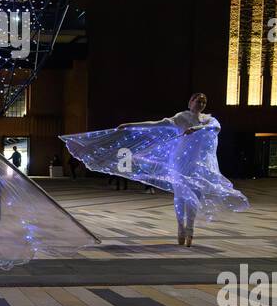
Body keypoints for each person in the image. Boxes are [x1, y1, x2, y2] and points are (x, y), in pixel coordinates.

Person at [61, 92, 249, 246]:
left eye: (203, 102)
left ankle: (190, 229)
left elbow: (215, 128)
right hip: (180, 162)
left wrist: (197, 128)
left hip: (197, 163)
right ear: (190, 102)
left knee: (196, 194)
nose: (200, 104)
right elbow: (156, 124)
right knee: (181, 194)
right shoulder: (181, 118)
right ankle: (181, 228)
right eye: (197, 101)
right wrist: (131, 126)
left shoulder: (208, 120)